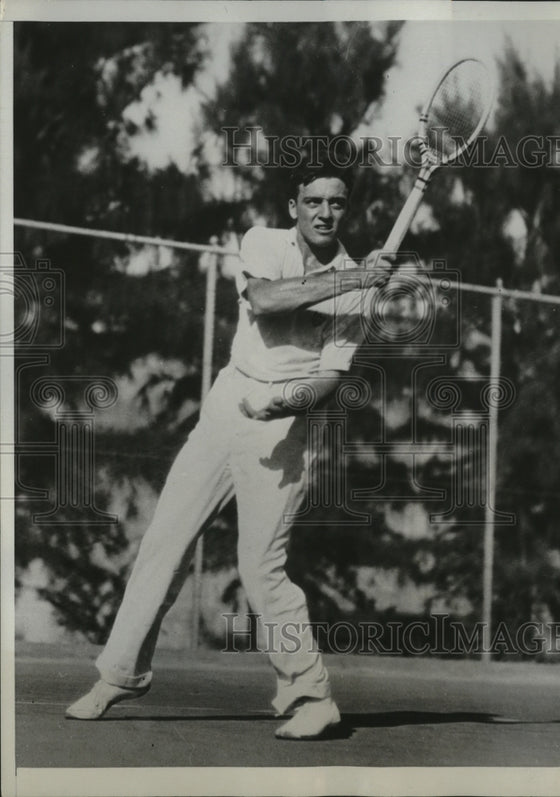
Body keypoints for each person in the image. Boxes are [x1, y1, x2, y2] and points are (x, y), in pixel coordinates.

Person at [66, 158, 392, 739]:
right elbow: (266, 301)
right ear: (294, 207)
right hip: (226, 406)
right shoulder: (264, 242)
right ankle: (120, 673)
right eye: (313, 201)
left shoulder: (362, 290)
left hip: (286, 428)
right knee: (164, 540)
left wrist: (285, 403)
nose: (324, 212)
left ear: (347, 211)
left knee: (261, 566)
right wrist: (354, 278)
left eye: (336, 203)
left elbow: (330, 379)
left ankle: (311, 695)